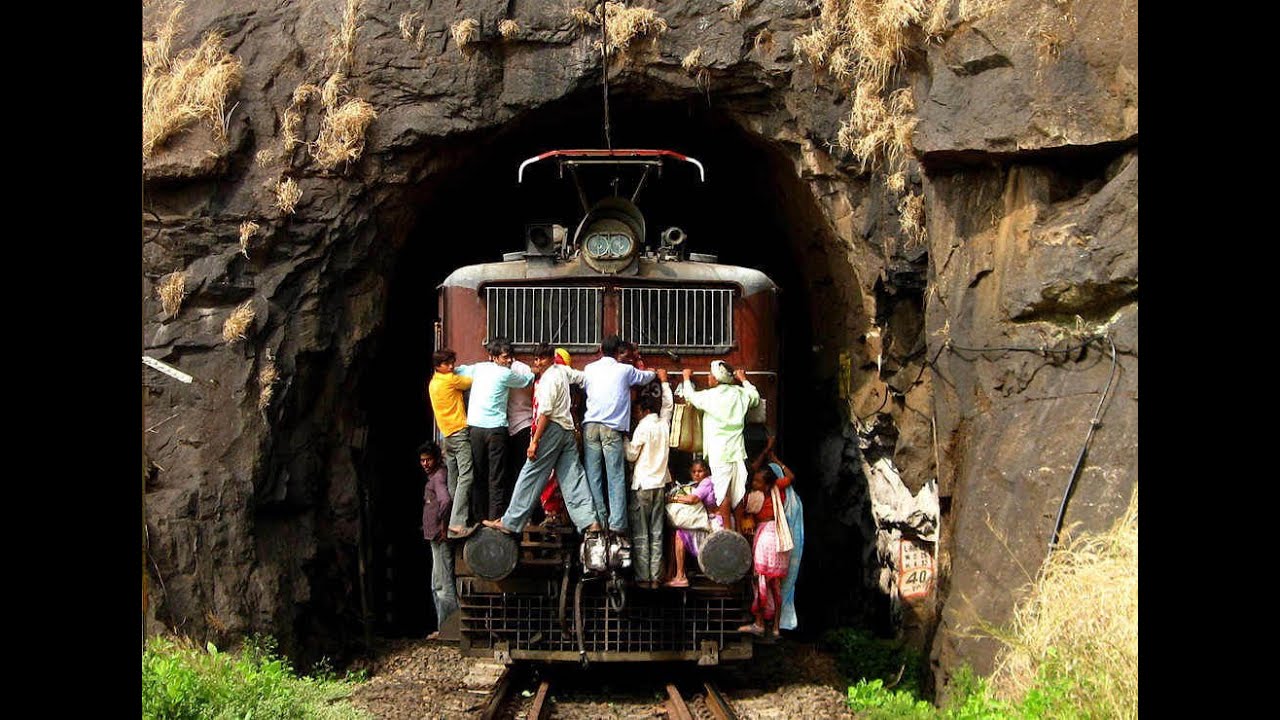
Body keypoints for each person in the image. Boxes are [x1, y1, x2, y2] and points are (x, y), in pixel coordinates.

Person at [483, 344, 606, 535]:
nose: (537, 363)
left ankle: (510, 521)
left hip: (551, 429)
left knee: (531, 474)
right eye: (536, 359)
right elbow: (582, 378)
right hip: (567, 430)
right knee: (573, 475)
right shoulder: (562, 371)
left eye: (540, 359)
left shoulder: (548, 379)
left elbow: (545, 414)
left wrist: (534, 442)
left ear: (549, 359)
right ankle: (589, 521)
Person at [581, 335, 656, 537]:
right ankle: (616, 524)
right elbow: (647, 377)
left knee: (593, 477)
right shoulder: (625, 370)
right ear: (617, 352)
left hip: (590, 426)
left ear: (600, 349)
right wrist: (653, 371)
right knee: (615, 477)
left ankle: (597, 521)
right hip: (611, 429)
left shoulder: (589, 369)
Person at [455, 338, 534, 523]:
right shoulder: (505, 374)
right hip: (496, 431)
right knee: (496, 476)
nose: (509, 361)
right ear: (494, 357)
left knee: (479, 474)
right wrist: (534, 373)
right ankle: (495, 518)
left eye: (510, 357)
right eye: (505, 357)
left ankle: (478, 518)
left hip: (475, 428)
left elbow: (460, 370)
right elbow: (526, 380)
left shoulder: (479, 368)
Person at [679, 360, 760, 529]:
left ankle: (728, 532)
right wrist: (743, 379)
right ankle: (738, 530)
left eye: (710, 375)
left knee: (723, 493)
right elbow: (755, 398)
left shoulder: (710, 396)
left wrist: (686, 378)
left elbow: (691, 396)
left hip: (719, 453)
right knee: (738, 493)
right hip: (737, 451)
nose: (708, 377)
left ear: (716, 379)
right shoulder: (740, 393)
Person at [624, 370, 673, 588]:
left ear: (643, 410)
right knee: (657, 532)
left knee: (641, 533)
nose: (635, 415)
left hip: (642, 485)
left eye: (636, 411)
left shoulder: (643, 427)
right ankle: (656, 577)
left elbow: (631, 454)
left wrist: (624, 440)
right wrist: (664, 383)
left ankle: (643, 577)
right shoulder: (663, 425)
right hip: (660, 485)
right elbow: (669, 406)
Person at [738, 464, 792, 637]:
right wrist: (778, 461)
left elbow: (741, 507)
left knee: (759, 582)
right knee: (775, 586)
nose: (754, 484)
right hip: (779, 538)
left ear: (766, 485)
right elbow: (791, 477)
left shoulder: (755, 497)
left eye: (757, 481)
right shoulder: (778, 490)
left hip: (765, 539)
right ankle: (776, 627)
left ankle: (759, 624)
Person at [427, 349, 475, 538]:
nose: (452, 366)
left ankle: (449, 521)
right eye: (447, 364)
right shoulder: (451, 380)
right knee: (467, 476)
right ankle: (457, 522)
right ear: (439, 366)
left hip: (445, 435)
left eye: (452, 362)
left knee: (453, 480)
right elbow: (471, 382)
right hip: (459, 432)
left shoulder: (433, 384)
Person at [418, 441, 458, 637]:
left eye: (428, 459)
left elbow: (445, 500)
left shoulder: (438, 477)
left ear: (436, 459)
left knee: (444, 585)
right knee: (437, 584)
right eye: (422, 460)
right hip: (435, 538)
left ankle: (449, 629)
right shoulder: (435, 476)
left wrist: (443, 526)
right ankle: (444, 628)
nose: (425, 463)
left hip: (440, 538)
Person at [665, 458, 723, 588]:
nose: (697, 474)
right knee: (676, 532)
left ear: (706, 471)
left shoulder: (707, 482)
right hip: (709, 521)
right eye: (694, 472)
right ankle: (673, 573)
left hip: (715, 524)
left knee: (680, 533)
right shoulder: (698, 484)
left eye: (700, 471)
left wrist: (672, 498)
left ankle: (680, 575)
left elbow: (692, 499)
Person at [504, 354, 536, 504]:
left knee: (519, 471)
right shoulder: (525, 369)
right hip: (526, 422)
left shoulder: (507, 371)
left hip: (518, 425)